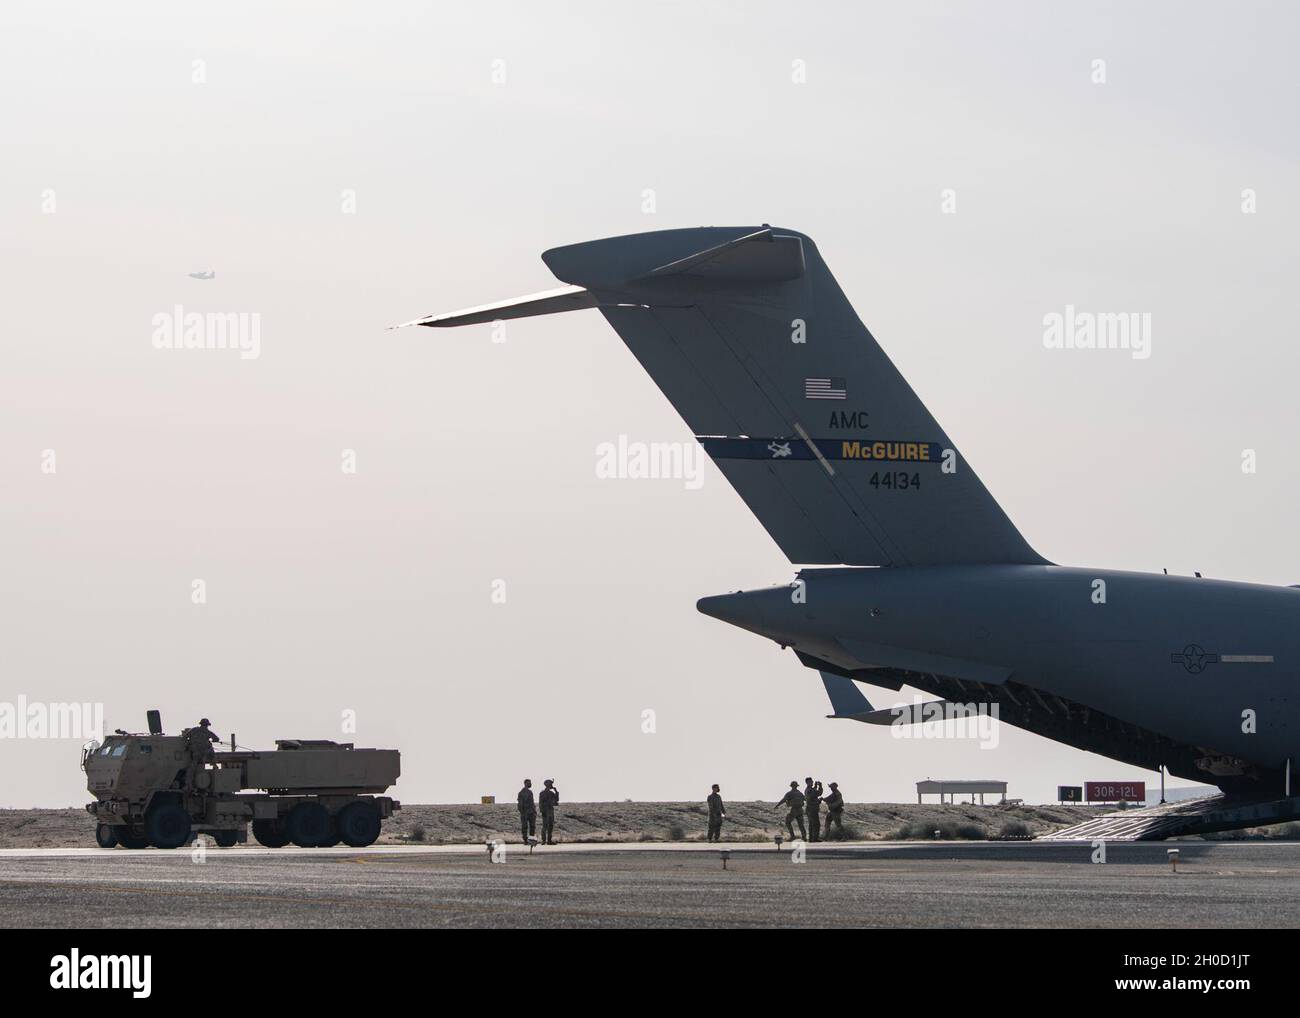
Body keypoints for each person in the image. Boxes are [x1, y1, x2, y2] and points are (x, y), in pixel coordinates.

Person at [538, 778, 559, 845]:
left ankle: (549, 840)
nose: (551, 785)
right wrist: (542, 811)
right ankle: (544, 840)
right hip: (545, 811)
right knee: (545, 826)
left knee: (550, 826)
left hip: (550, 810)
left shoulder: (551, 793)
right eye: (550, 784)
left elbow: (556, 800)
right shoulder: (542, 793)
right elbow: (540, 803)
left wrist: (556, 791)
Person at [804, 777, 824, 842]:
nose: (812, 782)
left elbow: (817, 793)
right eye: (810, 782)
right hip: (811, 809)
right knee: (815, 824)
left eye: (812, 781)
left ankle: (812, 838)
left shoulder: (810, 789)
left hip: (812, 809)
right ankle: (814, 838)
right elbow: (812, 797)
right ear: (807, 782)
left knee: (812, 824)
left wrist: (818, 786)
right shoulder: (809, 790)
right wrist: (818, 801)